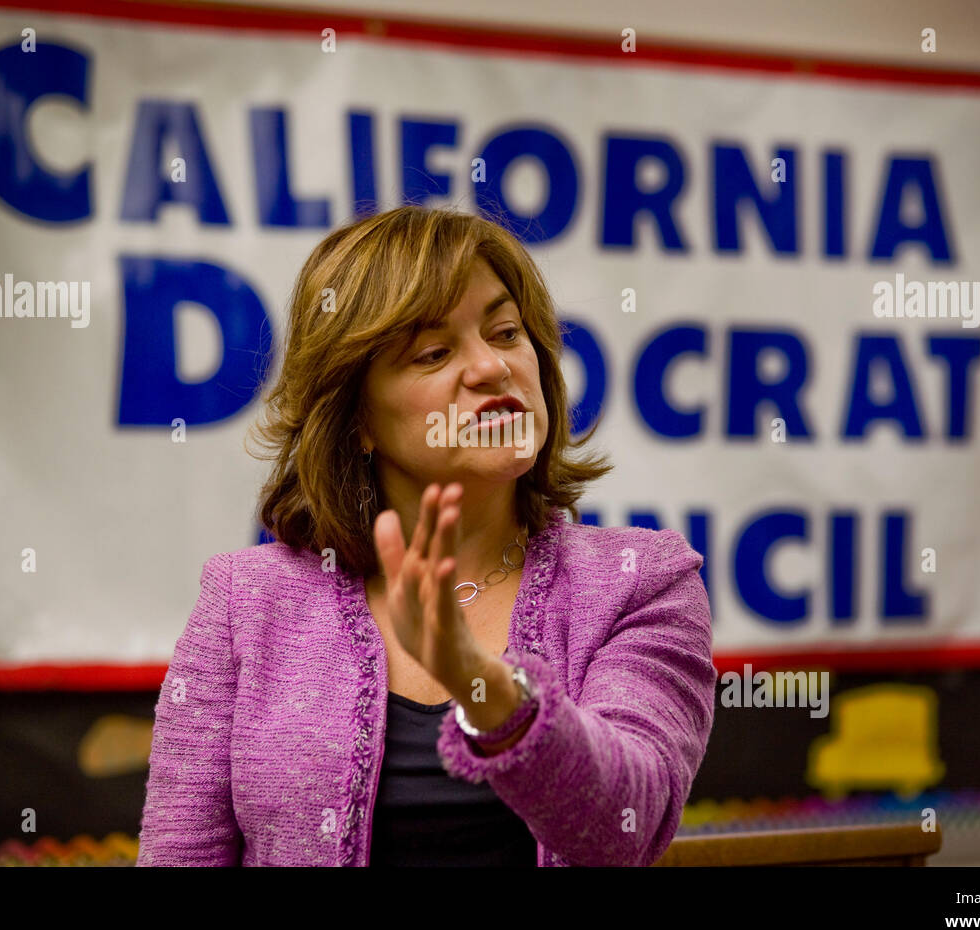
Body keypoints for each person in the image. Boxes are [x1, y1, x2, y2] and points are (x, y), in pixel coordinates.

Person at [136, 205, 715, 867]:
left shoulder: (643, 581)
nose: (491, 368)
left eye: (504, 331)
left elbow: (625, 829)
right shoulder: (245, 600)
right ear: (358, 418)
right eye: (435, 353)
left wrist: (478, 684)